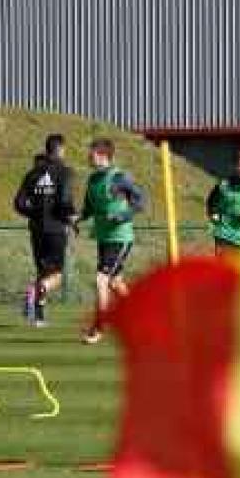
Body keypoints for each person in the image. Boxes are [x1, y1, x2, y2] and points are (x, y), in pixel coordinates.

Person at [77, 138, 144, 344]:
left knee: (101, 280)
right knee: (115, 282)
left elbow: (139, 201)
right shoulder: (92, 180)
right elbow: (89, 207)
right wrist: (77, 219)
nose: (88, 157)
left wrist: (122, 216)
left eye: (91, 154)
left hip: (120, 237)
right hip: (103, 236)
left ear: (103, 156)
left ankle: (98, 327)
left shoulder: (120, 177)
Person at [13, 133, 77, 326]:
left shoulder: (32, 174)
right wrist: (71, 217)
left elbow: (18, 203)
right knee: (56, 275)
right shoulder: (64, 172)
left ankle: (38, 316)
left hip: (36, 229)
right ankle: (34, 291)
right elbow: (64, 201)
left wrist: (34, 214)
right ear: (60, 149)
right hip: (56, 228)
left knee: (42, 271)